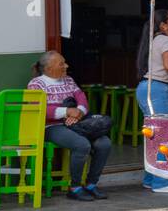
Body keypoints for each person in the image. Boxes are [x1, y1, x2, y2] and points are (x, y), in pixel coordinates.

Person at [28, 50, 111, 201]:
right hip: (52, 127)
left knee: (104, 143)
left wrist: (78, 112)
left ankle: (91, 184)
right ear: (48, 68)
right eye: (61, 63)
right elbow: (39, 108)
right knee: (81, 145)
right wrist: (67, 111)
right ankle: (75, 187)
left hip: (77, 123)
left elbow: (82, 99)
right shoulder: (36, 84)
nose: (66, 66)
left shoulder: (69, 80)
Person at [136, 9, 168, 194]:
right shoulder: (166, 40)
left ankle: (150, 178)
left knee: (154, 135)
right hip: (159, 89)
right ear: (163, 25)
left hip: (148, 88)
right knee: (165, 134)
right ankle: (161, 181)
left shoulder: (153, 41)